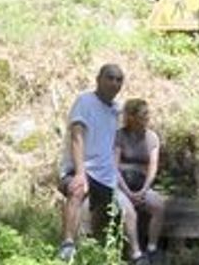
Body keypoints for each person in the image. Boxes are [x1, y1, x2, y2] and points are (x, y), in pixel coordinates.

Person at [56, 63, 146, 264]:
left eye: (119, 79)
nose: (114, 83)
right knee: (78, 190)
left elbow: (133, 126)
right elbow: (76, 137)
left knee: (128, 210)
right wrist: (80, 173)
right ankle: (67, 245)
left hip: (105, 175)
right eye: (110, 78)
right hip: (80, 168)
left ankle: (136, 255)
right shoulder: (85, 101)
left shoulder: (116, 110)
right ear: (98, 79)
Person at [114, 98, 167, 263]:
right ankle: (136, 253)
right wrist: (128, 192)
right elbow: (113, 167)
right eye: (143, 114)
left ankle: (152, 248)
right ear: (131, 117)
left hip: (141, 184)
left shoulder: (152, 137)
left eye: (148, 113)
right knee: (128, 210)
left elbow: (153, 167)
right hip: (121, 184)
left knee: (159, 205)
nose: (147, 117)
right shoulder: (119, 136)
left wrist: (144, 190)